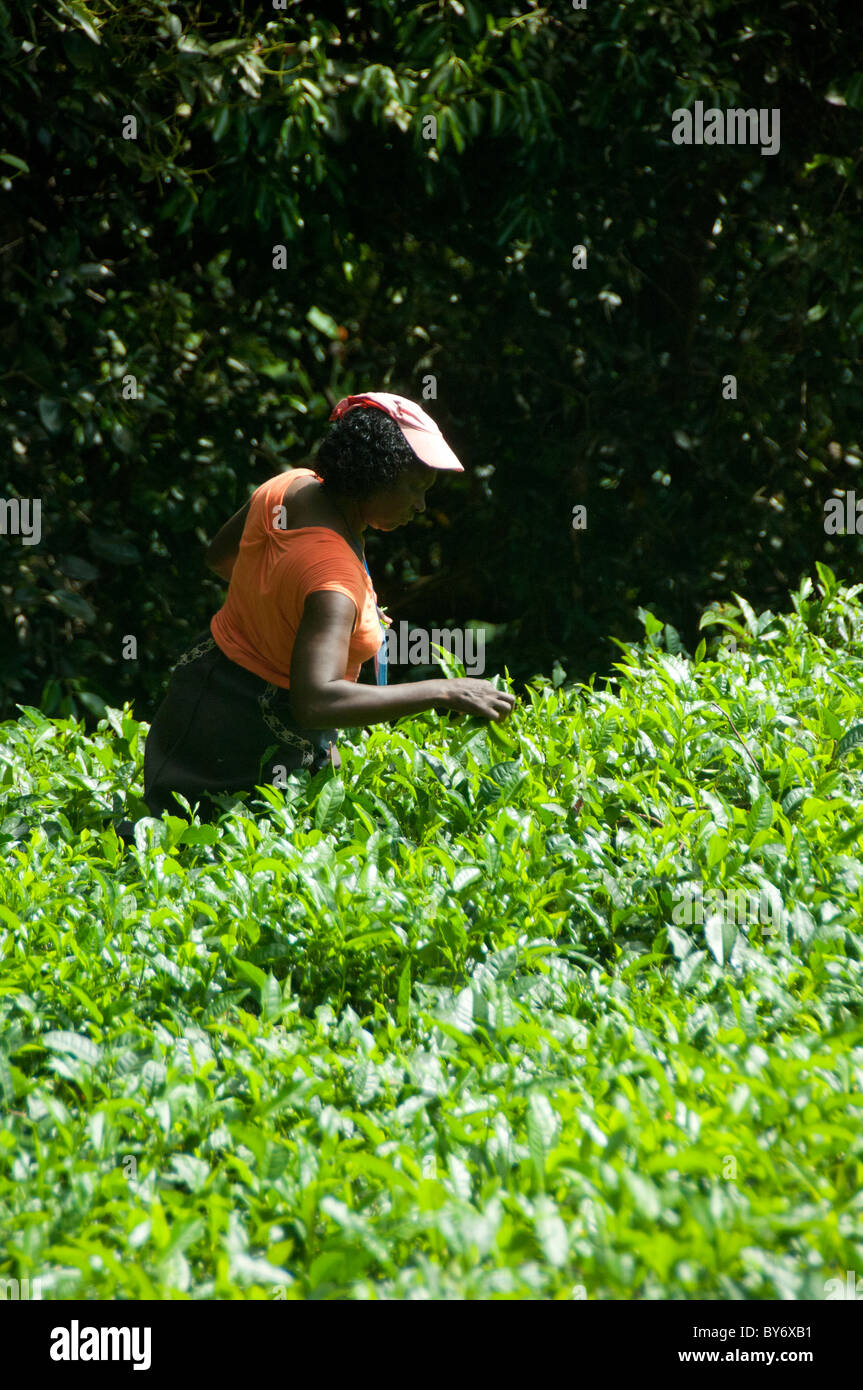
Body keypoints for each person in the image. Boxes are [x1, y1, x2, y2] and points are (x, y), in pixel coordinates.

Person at [139, 392, 515, 824]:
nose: (421, 506)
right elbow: (316, 702)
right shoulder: (334, 581)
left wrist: (278, 610)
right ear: (373, 475)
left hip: (202, 691)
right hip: (252, 733)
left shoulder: (288, 485)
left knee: (163, 834)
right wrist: (444, 691)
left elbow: (222, 558)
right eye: (414, 488)